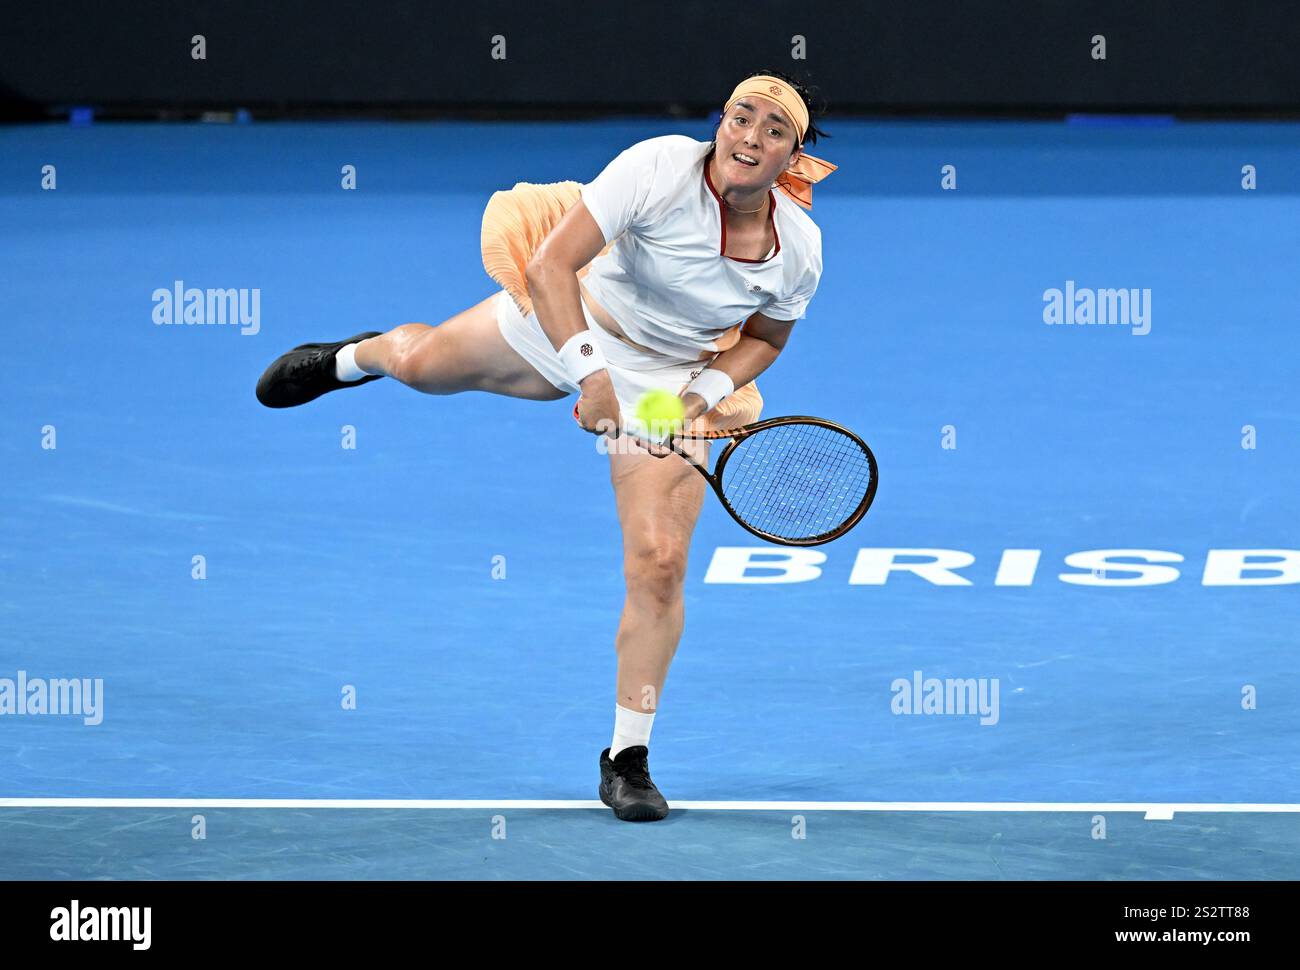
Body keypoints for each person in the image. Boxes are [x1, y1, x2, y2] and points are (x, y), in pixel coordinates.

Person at [255, 70, 834, 822]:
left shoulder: (800, 249)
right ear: (720, 122)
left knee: (659, 563)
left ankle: (628, 757)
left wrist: (702, 396)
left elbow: (762, 339)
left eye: (773, 130)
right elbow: (548, 266)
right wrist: (588, 373)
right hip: (572, 317)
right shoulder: (658, 166)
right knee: (423, 369)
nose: (750, 138)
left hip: (671, 377)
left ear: (792, 155)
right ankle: (358, 355)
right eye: (740, 118)